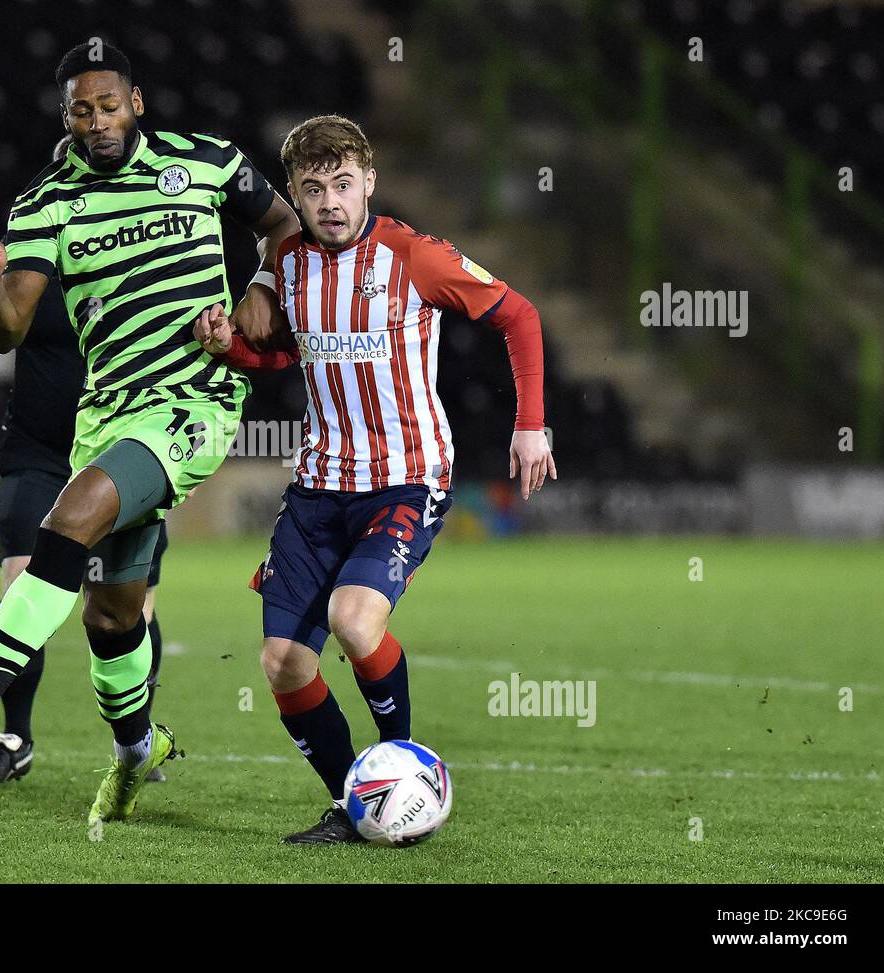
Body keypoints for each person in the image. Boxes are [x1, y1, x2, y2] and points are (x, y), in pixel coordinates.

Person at [0, 41, 300, 828]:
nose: (96, 121)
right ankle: (137, 749)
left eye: (108, 104)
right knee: (111, 613)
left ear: (139, 102)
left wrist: (262, 290)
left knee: (63, 522)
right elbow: (9, 329)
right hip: (105, 415)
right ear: (64, 116)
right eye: (80, 109)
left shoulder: (205, 161)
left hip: (195, 401)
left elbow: (283, 225)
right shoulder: (42, 204)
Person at [194, 114, 555, 843]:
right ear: (294, 192)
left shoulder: (412, 255)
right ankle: (358, 802)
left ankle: (409, 770)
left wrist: (530, 422)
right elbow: (289, 360)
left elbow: (519, 315)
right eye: (314, 187)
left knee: (355, 621)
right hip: (317, 487)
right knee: (283, 662)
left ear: (369, 183)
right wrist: (231, 349)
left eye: (344, 184)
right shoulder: (288, 263)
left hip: (405, 478)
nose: (330, 201)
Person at [0, 135, 171, 785]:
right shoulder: (29, 258)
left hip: (125, 455)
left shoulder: (141, 252)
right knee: (20, 584)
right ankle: (15, 734)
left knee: (127, 610)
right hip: (38, 453)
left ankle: (137, 741)